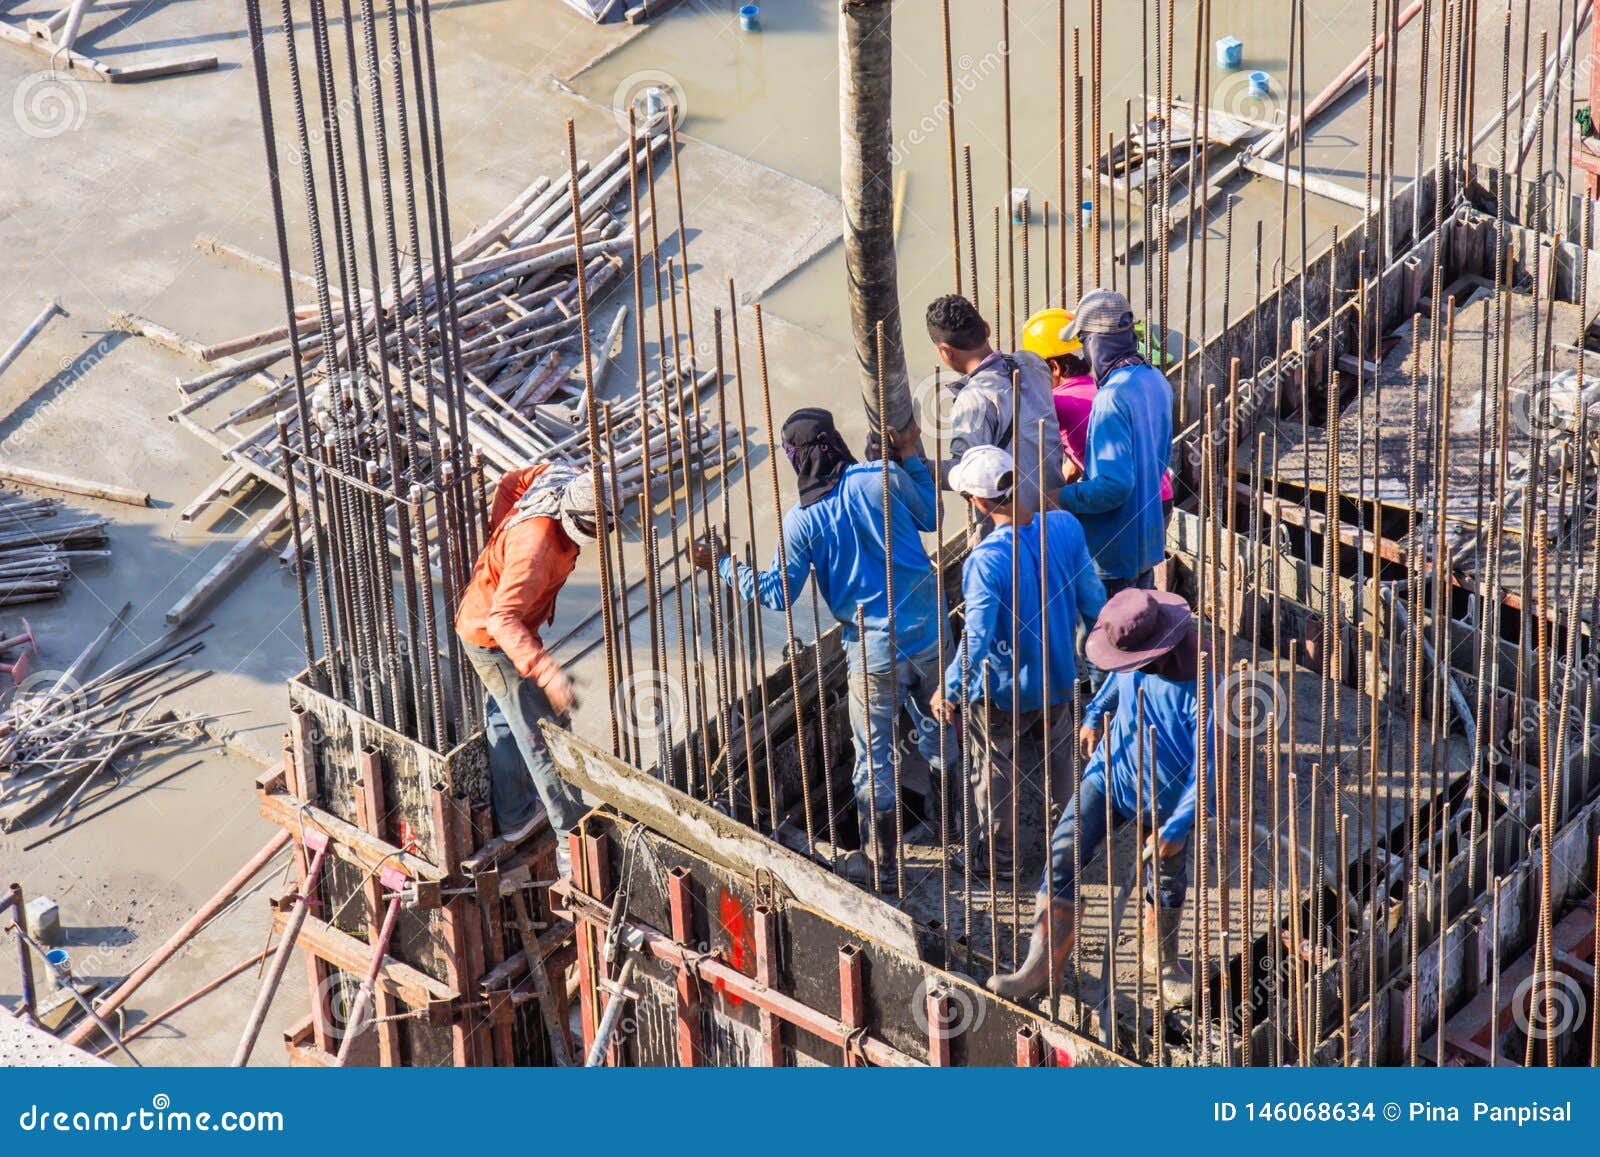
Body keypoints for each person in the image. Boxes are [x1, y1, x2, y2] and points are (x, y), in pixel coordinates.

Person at [692, 408, 951, 890]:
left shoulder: (801, 522)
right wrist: (910, 457)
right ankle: (954, 830)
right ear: (834, 441)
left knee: (875, 759)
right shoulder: (880, 477)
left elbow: (775, 594)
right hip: (930, 631)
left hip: (873, 653)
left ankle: (882, 867)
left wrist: (725, 564)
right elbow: (934, 515)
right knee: (941, 728)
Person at [987, 588, 1208, 1007]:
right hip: (1113, 770)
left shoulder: (1202, 682)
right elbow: (1116, 679)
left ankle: (1161, 960)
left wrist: (1178, 825)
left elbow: (1210, 766)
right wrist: (1092, 716)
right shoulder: (1139, 650)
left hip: (1167, 794)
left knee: (1164, 879)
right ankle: (1043, 962)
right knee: (1064, 847)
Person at [928, 445, 1106, 883]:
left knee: (995, 776)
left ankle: (1003, 863)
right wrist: (1103, 678)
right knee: (1062, 763)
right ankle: (1070, 849)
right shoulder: (1064, 527)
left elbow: (977, 641)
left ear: (979, 502)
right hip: (1059, 678)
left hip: (1001, 697)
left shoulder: (985, 562)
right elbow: (1094, 605)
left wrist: (949, 689)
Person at [455, 462, 597, 873]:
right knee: (544, 737)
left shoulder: (563, 477)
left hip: (492, 624)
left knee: (506, 717)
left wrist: (500, 536)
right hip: (494, 638)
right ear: (569, 516)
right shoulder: (534, 548)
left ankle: (516, 817)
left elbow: (509, 482)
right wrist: (548, 673)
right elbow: (503, 621)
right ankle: (572, 843)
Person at [1054, 290, 1173, 596]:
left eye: (1083, 341)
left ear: (1097, 341)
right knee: (1137, 630)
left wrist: (1061, 496)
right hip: (1148, 537)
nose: (1084, 353)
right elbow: (1160, 461)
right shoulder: (1154, 378)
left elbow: (1113, 486)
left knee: (1099, 639)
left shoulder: (1111, 398)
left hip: (1113, 551)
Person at [1020, 306, 1175, 519]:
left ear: (1054, 367)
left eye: (1036, 371)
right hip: (1162, 495)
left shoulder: (1058, 403)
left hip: (1133, 504)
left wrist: (1051, 498)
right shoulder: (1100, 386)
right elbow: (1080, 455)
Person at [924, 294, 1065, 516]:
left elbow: (967, 475)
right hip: (1057, 514)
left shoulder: (972, 399)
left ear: (945, 351)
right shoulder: (1033, 363)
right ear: (987, 329)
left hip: (1012, 529)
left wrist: (914, 463)